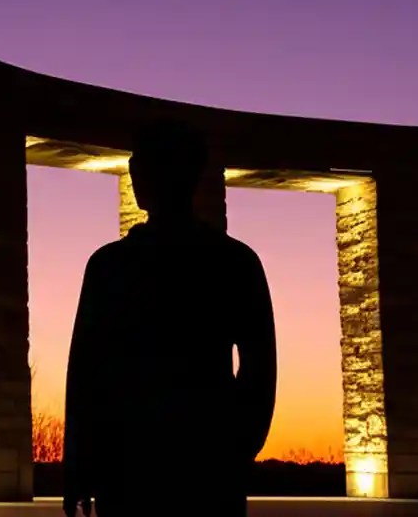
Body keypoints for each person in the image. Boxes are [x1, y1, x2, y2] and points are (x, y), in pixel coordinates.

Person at [62, 121, 277, 516]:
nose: (136, 174)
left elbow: (259, 370)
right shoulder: (234, 261)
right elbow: (86, 372)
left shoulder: (112, 266)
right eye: (136, 164)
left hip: (173, 461)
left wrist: (236, 446)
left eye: (147, 164)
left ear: (185, 172)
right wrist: (78, 462)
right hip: (155, 463)